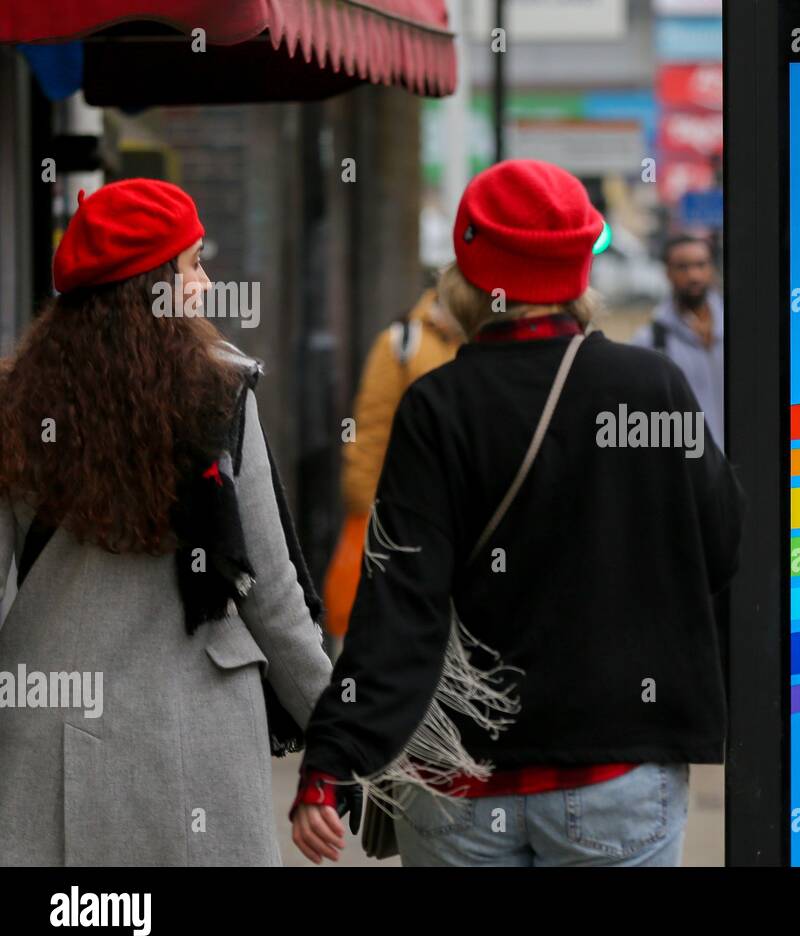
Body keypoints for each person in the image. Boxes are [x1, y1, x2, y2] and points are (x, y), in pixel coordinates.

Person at [290, 158, 745, 867]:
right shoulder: (652, 387)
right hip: (617, 775)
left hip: (459, 787)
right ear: (579, 271)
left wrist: (332, 756)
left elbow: (402, 602)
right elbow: (723, 544)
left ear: (468, 274)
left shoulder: (436, 407)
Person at [0, 178, 333, 865]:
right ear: (152, 282)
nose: (206, 285)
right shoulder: (219, 396)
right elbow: (270, 594)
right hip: (196, 741)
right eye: (191, 264)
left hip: (47, 733)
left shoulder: (16, 401)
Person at [321, 271, 464, 643]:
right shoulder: (403, 343)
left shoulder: (479, 345)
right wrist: (362, 505)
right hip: (398, 511)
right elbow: (370, 427)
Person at [632, 234, 725, 442]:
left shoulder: (740, 330)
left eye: (701, 265)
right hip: (692, 466)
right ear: (667, 272)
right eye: (683, 267)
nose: (694, 275)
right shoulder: (650, 342)